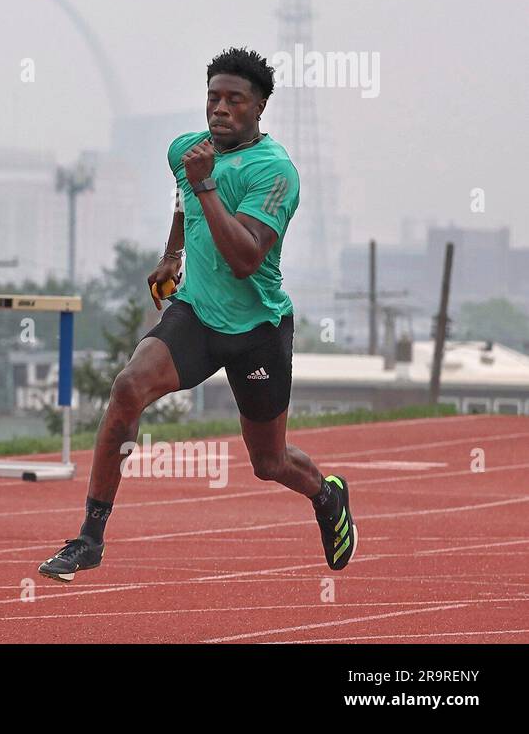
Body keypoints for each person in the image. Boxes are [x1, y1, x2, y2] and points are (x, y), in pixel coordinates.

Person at [38, 47, 357, 582]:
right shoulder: (187, 152)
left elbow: (245, 258)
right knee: (127, 389)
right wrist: (173, 254)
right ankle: (90, 537)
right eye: (213, 97)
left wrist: (208, 183)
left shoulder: (275, 172)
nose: (220, 109)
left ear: (259, 108)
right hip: (198, 316)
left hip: (258, 329)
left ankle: (327, 496)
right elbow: (184, 201)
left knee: (268, 463)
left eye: (235, 100)